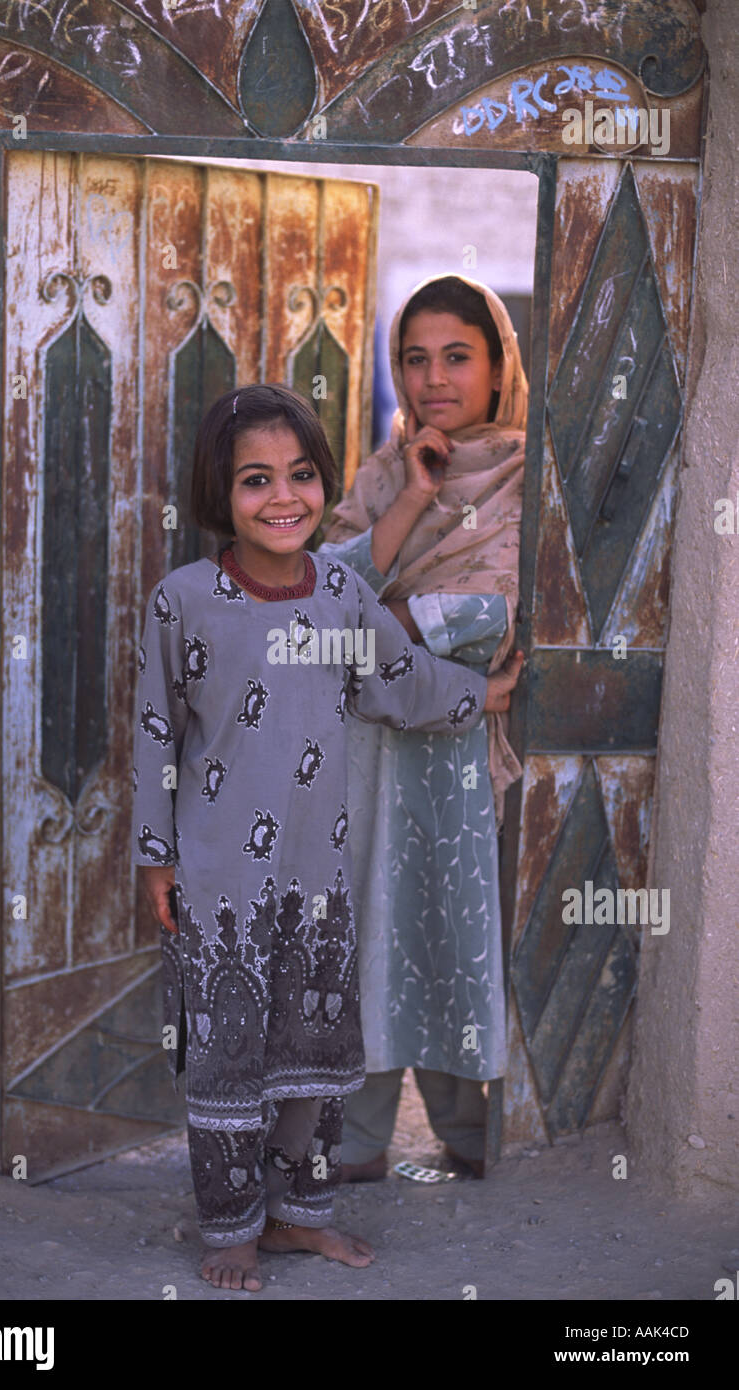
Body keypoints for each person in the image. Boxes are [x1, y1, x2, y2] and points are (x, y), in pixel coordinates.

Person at [131, 383, 523, 1292]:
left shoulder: (343, 595)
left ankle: (299, 1219)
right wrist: (155, 855)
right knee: (228, 1058)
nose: (284, 499)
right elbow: (154, 733)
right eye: (255, 481)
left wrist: (485, 696)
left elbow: (400, 682)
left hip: (317, 882)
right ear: (219, 495)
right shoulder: (183, 601)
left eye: (302, 476)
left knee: (310, 1056)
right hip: (217, 881)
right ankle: (231, 1228)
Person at [316, 273, 528, 1181]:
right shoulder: (378, 474)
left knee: (447, 925)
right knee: (369, 923)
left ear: (496, 365)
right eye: (415, 357)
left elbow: (498, 612)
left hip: (458, 756)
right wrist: (408, 495)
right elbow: (323, 600)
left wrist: (386, 627)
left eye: (457, 356)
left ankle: (473, 1133)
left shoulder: (530, 475)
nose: (435, 377)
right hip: (366, 749)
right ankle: (359, 1140)